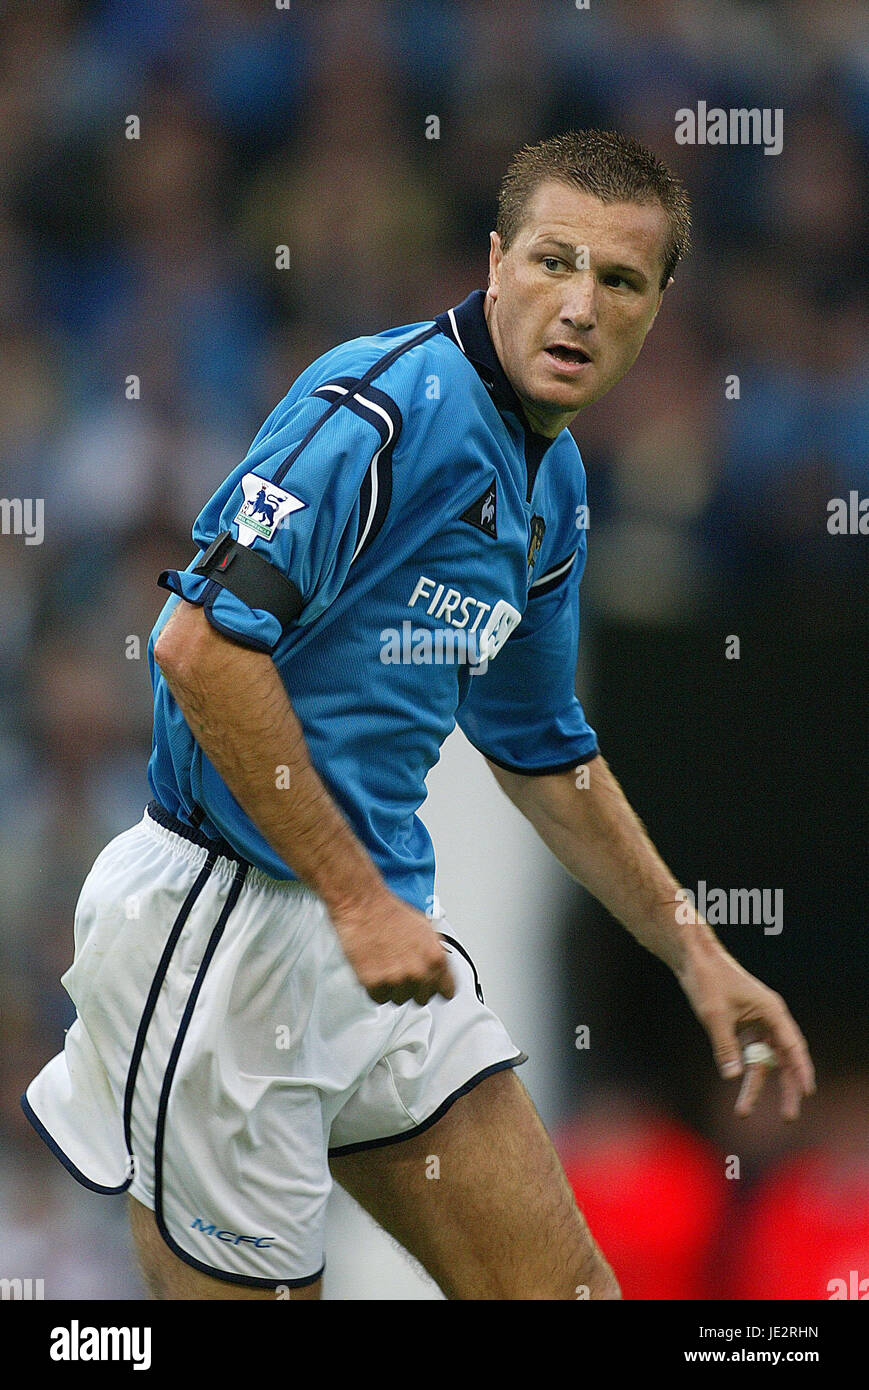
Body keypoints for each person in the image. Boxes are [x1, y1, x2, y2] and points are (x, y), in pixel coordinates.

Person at [22, 130, 815, 1301]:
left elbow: (545, 751)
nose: (579, 304)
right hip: (221, 931)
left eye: (618, 280)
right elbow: (197, 648)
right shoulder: (387, 410)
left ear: (655, 312)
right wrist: (353, 899)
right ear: (495, 263)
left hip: (381, 942)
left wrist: (695, 953)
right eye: (553, 260)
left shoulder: (555, 483)